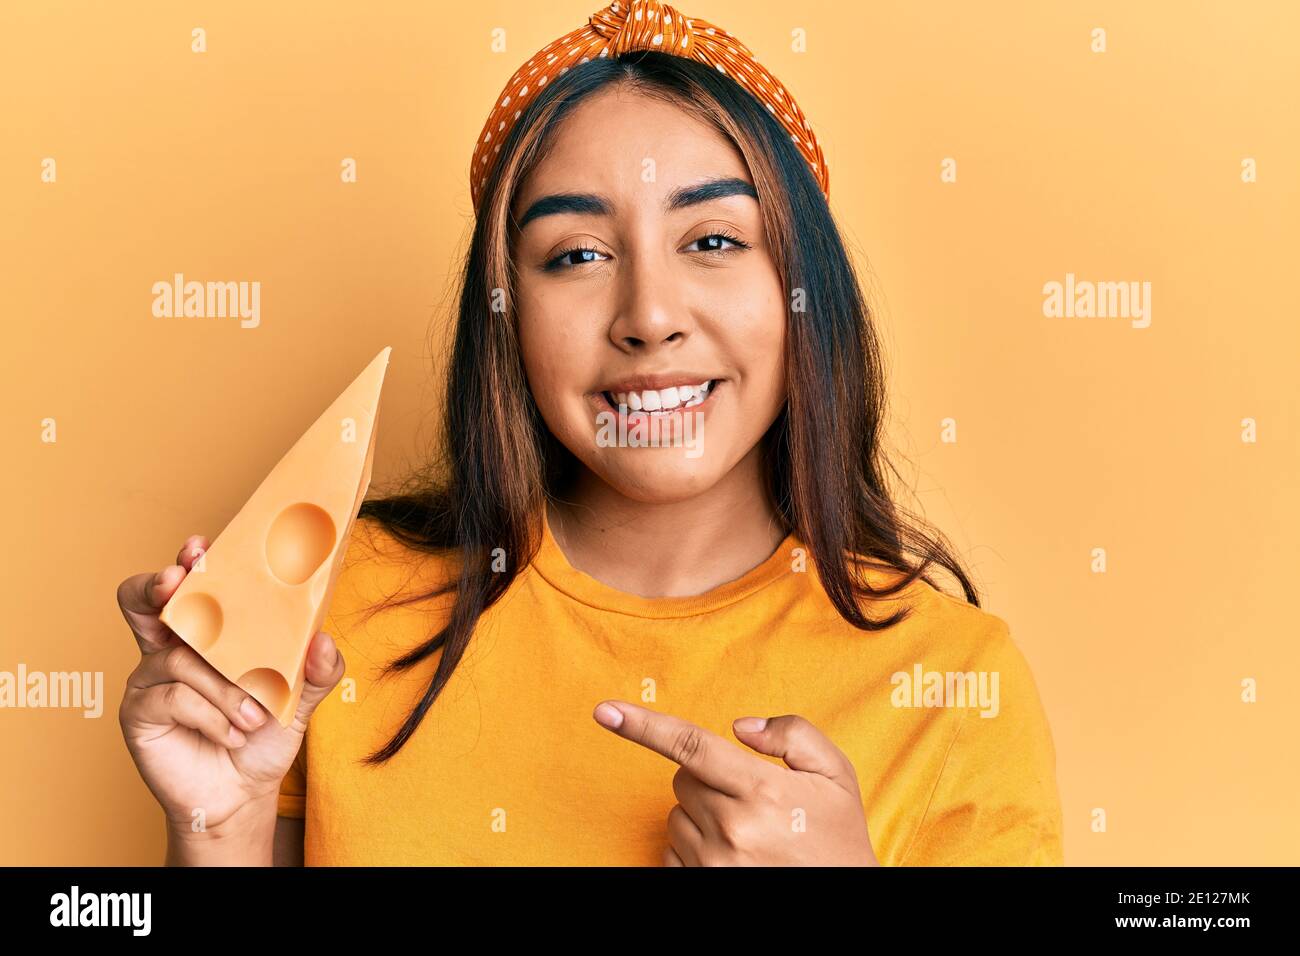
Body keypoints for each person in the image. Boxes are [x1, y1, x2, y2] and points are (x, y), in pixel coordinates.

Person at [116, 0, 1064, 866]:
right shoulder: (337, 614)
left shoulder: (956, 686)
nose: (649, 315)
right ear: (506, 313)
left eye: (714, 240)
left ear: (801, 288)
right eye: (575, 255)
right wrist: (219, 827)